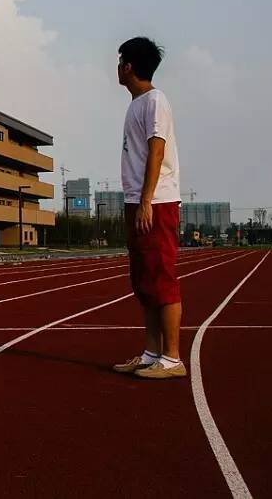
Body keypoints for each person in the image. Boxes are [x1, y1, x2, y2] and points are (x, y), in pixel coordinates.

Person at [110, 37, 185, 379]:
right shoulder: (135, 104)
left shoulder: (155, 101)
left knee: (161, 277)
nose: (117, 67)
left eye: (120, 61)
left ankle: (172, 359)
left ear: (129, 66)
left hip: (155, 202)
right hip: (136, 201)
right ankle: (151, 352)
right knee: (144, 281)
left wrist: (146, 201)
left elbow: (157, 150)